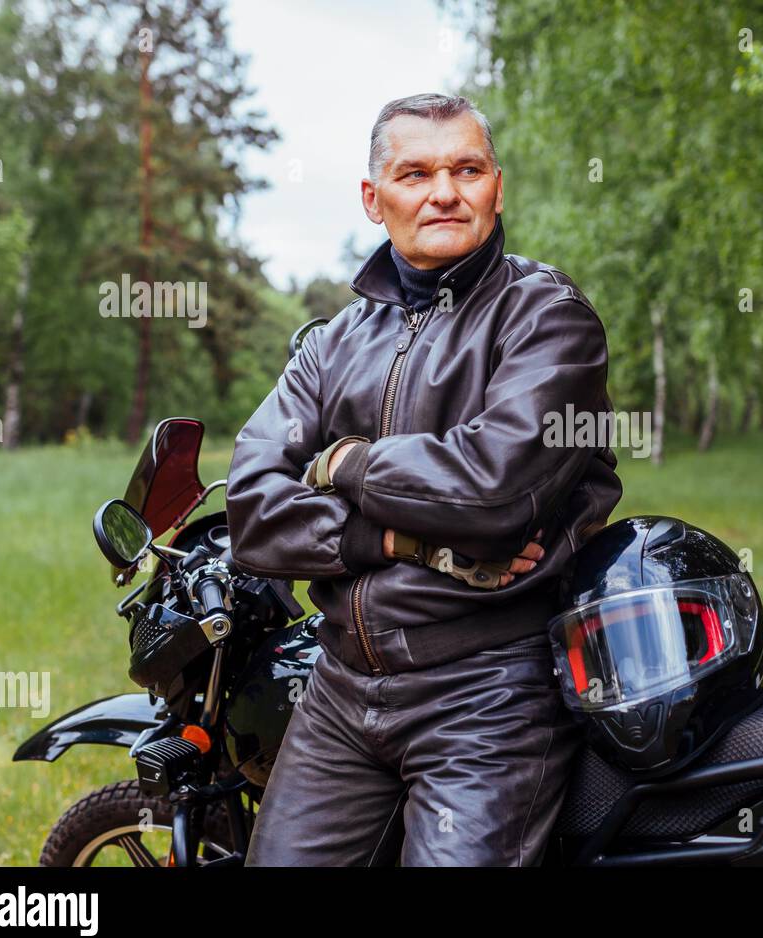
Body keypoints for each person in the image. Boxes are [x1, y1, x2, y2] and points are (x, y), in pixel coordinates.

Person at [225, 92, 622, 865]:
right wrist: (394, 536)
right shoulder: (331, 342)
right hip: (338, 688)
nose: (445, 192)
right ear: (375, 200)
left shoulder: (547, 318)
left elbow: (494, 491)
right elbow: (253, 506)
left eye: (467, 169)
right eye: (415, 173)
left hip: (487, 694)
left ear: (496, 188)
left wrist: (343, 463)